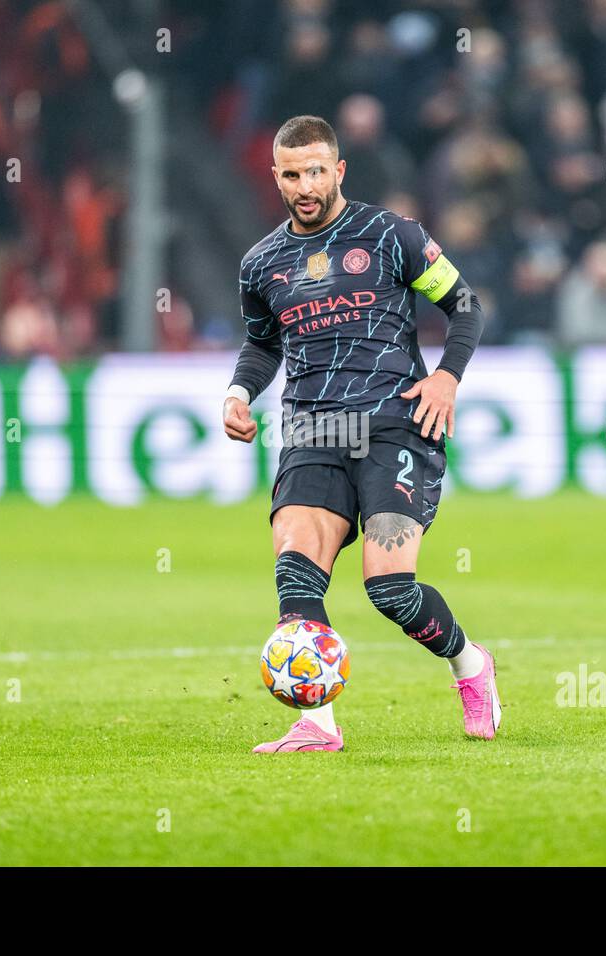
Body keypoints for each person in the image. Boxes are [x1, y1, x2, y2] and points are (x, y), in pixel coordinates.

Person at [222, 115, 499, 753]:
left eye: (317, 170)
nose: (306, 185)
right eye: (292, 174)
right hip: (313, 430)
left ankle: (469, 664)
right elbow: (262, 345)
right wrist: (240, 393)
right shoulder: (262, 263)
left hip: (394, 427)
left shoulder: (389, 234)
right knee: (295, 578)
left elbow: (464, 306)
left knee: (391, 590)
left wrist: (447, 379)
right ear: (277, 178)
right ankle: (316, 724)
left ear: (339, 170)